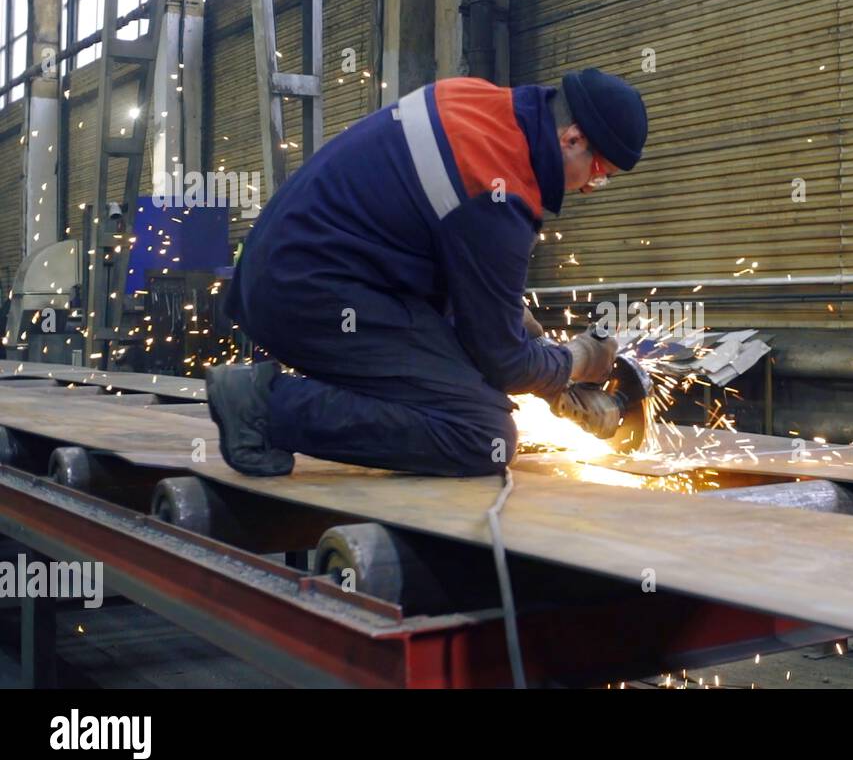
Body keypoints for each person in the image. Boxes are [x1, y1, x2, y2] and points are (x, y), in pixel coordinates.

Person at [206, 68, 648, 476]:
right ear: (571, 139)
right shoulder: (499, 190)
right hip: (307, 294)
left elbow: (476, 295)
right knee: (482, 434)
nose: (590, 188)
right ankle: (263, 408)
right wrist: (576, 360)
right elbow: (504, 362)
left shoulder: (478, 101)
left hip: (289, 272)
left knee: (468, 377)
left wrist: (554, 384)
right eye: (600, 173)